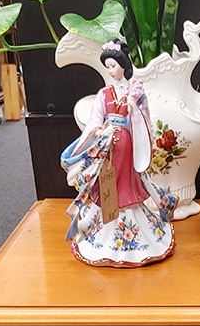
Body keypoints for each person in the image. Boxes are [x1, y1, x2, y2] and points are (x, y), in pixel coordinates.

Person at [61, 38, 177, 267]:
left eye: (114, 65)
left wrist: (134, 108)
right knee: (107, 184)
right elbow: (95, 117)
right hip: (107, 147)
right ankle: (105, 229)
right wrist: (98, 130)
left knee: (127, 183)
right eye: (108, 67)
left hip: (128, 145)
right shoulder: (104, 94)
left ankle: (134, 224)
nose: (111, 71)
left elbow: (145, 118)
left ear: (123, 65)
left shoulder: (135, 89)